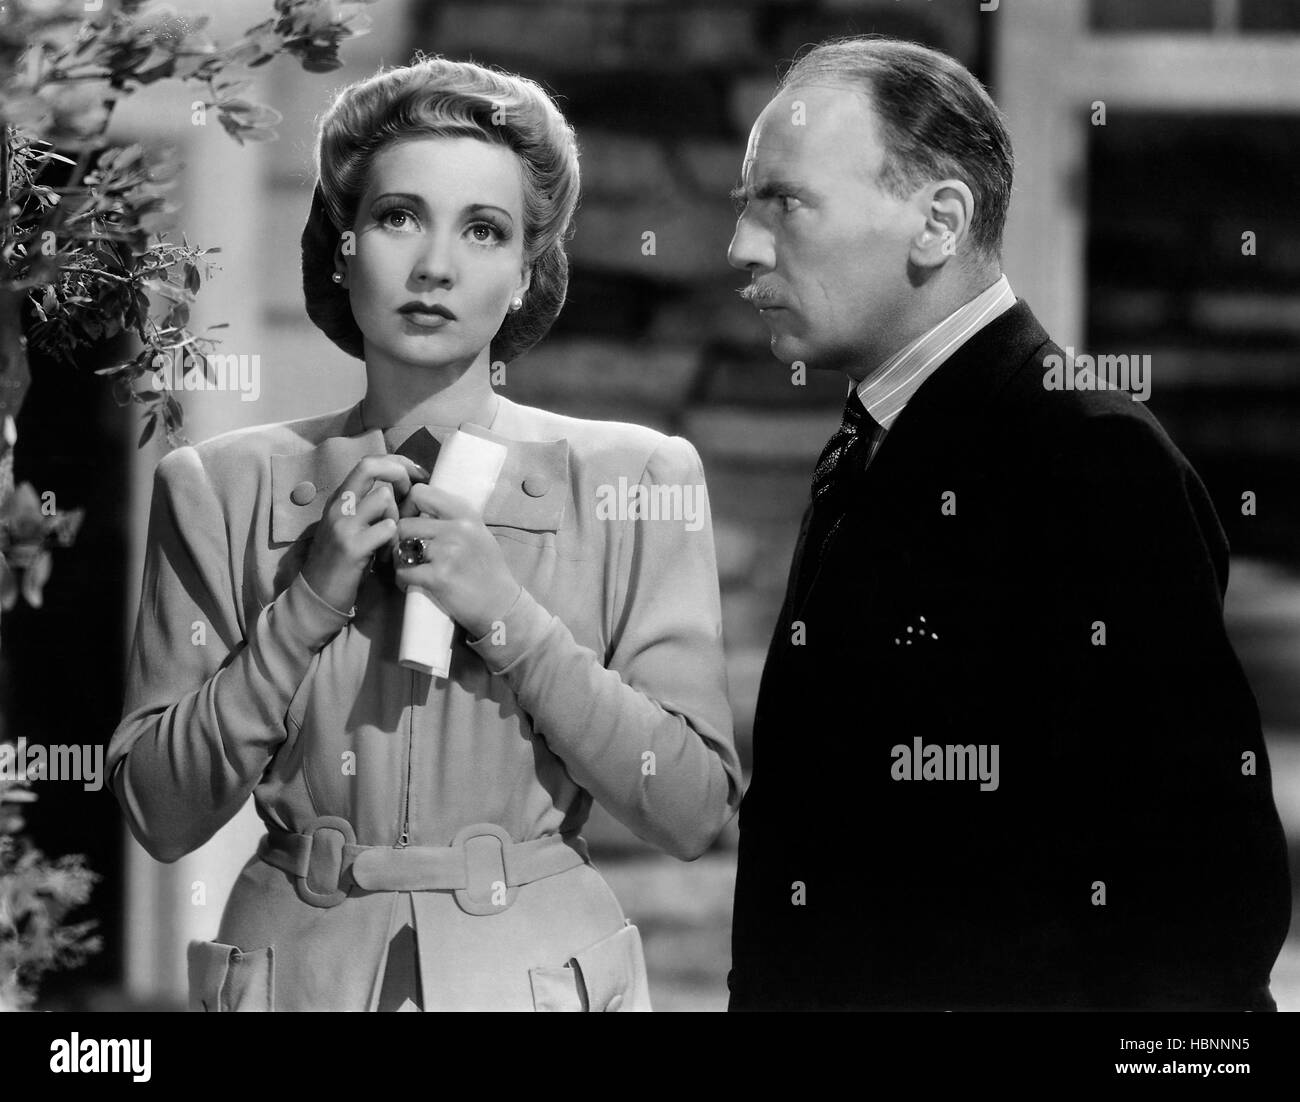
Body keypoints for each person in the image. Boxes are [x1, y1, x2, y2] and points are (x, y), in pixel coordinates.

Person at [106, 55, 741, 1012]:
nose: (435, 264)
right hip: (291, 976)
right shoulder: (216, 486)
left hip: (533, 979)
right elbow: (159, 810)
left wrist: (509, 617)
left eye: (483, 231)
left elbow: (692, 807)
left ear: (528, 273)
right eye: (399, 217)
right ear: (341, 246)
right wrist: (308, 601)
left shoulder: (637, 479)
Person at [725, 36, 1291, 1011]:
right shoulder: (874, 438)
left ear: (938, 220)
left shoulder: (1091, 457)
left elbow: (1205, 904)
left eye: (785, 201)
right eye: (747, 202)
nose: (741, 244)